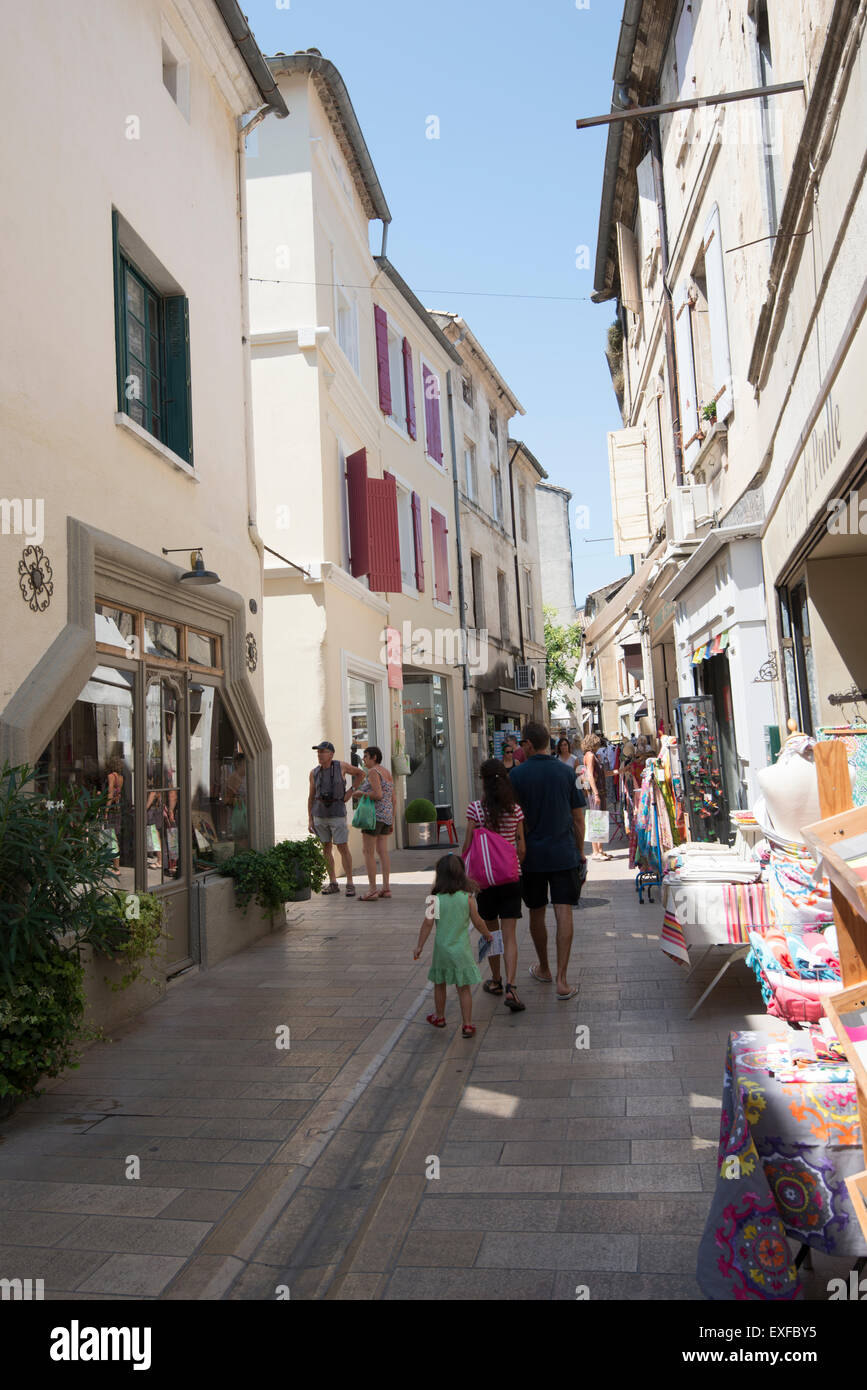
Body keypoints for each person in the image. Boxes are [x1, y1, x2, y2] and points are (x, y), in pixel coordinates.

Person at [509, 721, 586, 1001]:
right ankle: (563, 980)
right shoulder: (568, 773)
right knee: (563, 910)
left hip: (531, 856)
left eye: (522, 744)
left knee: (536, 912)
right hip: (564, 852)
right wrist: (579, 851)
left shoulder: (516, 776)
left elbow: (511, 818)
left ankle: (544, 967)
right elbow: (579, 818)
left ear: (529, 743)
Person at [461, 759, 527, 1012]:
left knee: (491, 933)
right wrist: (513, 865)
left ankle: (496, 980)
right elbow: (521, 848)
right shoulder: (515, 811)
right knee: (510, 934)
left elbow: (467, 847)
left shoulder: (475, 811)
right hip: (511, 878)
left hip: (484, 882)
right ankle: (512, 986)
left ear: (483, 781)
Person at [414, 853, 493, 1037]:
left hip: (441, 950)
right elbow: (479, 921)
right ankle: (467, 1024)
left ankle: (440, 1017)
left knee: (439, 983)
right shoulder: (468, 898)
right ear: (462, 874)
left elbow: (427, 923)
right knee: (463, 988)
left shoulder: (434, 899)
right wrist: (487, 934)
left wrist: (419, 946)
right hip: (461, 951)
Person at [308, 741, 360, 896]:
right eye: (318, 752)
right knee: (326, 848)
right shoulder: (314, 772)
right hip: (320, 814)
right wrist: (310, 819)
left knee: (343, 847)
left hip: (337, 812)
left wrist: (351, 791)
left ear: (331, 754)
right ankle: (333, 882)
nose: (319, 755)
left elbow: (361, 774)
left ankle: (350, 883)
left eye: (322, 752)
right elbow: (311, 796)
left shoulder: (341, 766)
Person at [355, 745, 394, 901]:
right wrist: (391, 819)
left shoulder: (373, 772)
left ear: (374, 758)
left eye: (365, 756)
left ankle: (372, 890)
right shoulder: (387, 773)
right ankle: (386, 888)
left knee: (368, 852)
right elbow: (393, 798)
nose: (363, 759)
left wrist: (360, 793)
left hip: (373, 817)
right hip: (386, 816)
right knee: (383, 852)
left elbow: (377, 795)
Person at [582, 732, 611, 862]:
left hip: (600, 790)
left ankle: (600, 850)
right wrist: (596, 793)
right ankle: (595, 851)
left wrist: (619, 771)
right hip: (596, 791)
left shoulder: (593, 755)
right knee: (595, 820)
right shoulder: (590, 756)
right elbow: (590, 776)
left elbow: (602, 773)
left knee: (601, 819)